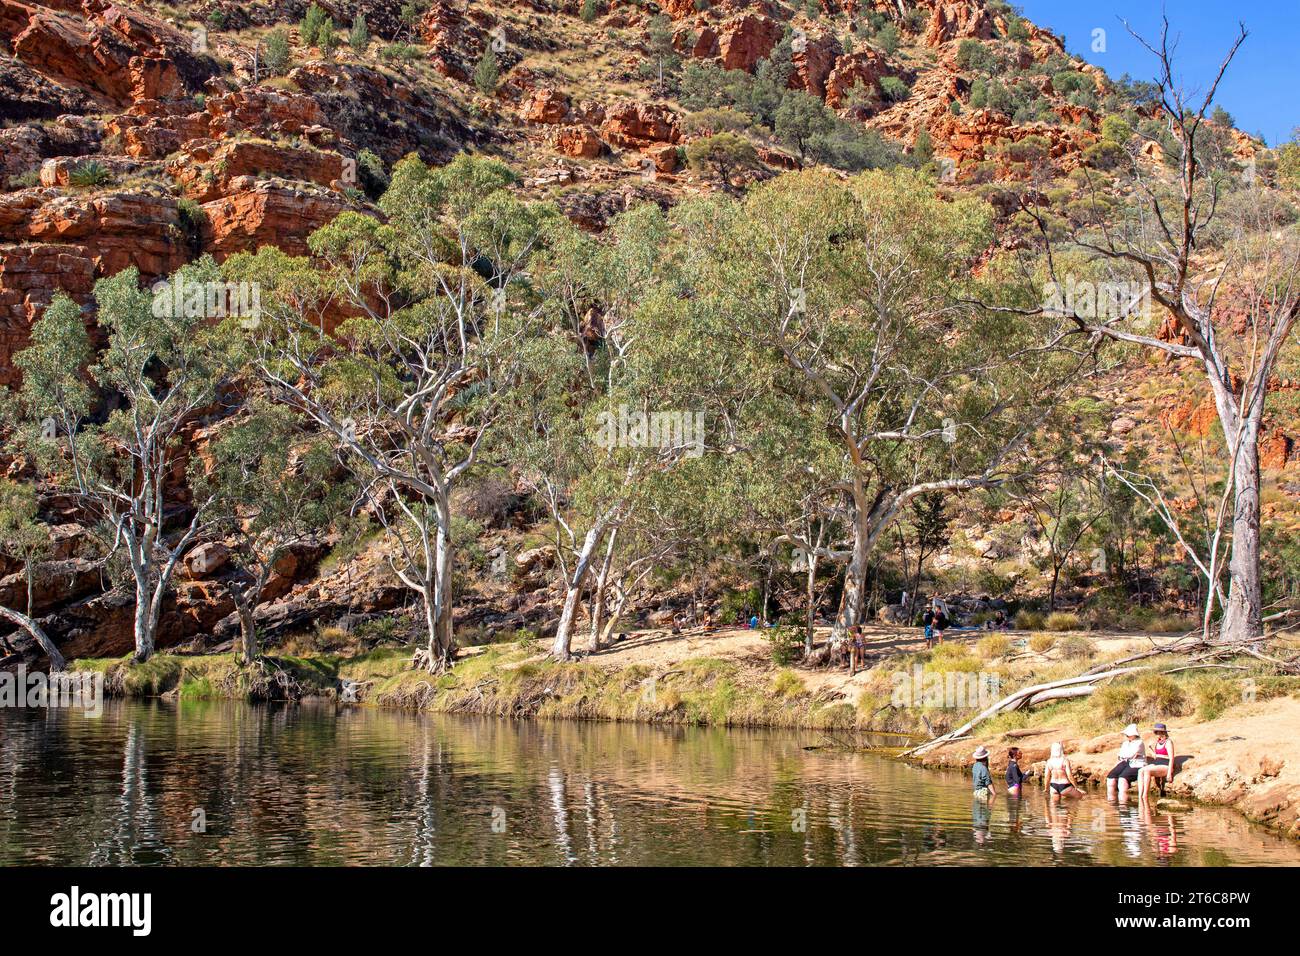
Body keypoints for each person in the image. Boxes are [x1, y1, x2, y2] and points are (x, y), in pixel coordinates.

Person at [1105, 724, 1146, 802]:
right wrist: (1127, 756)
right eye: (1127, 735)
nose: (1127, 736)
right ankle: (1111, 799)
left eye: (1129, 734)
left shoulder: (1139, 742)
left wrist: (1128, 755)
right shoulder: (1125, 743)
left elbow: (1130, 754)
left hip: (1137, 764)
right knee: (1110, 777)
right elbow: (1121, 754)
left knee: (1122, 779)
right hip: (1125, 762)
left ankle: (1123, 802)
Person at [1137, 723, 1176, 803]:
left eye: (1158, 732)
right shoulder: (1158, 742)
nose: (1156, 734)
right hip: (1157, 764)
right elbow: (1156, 756)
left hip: (1165, 765)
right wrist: (1150, 748)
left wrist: (1169, 773)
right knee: (1140, 771)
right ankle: (1140, 795)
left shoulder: (1168, 742)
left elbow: (1171, 757)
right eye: (1156, 732)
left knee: (1147, 771)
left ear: (1162, 732)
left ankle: (1145, 796)